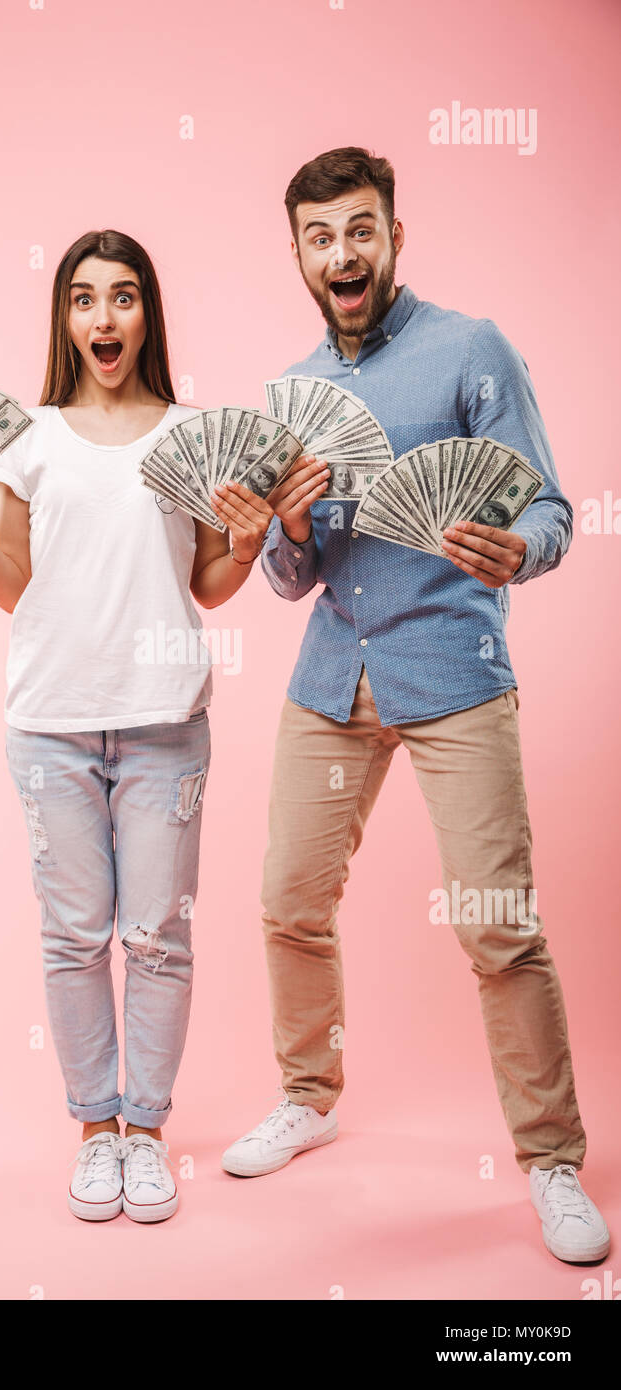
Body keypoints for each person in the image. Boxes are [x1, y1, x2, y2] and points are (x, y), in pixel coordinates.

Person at [219, 147, 610, 1266]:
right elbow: (288, 581)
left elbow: (547, 505)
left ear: (393, 235)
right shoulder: (292, 393)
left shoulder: (467, 349)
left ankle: (546, 1159)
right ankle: (309, 1094)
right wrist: (287, 528)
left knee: (496, 924)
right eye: (317, 236)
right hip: (329, 675)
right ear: (295, 253)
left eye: (358, 229)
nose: (340, 253)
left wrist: (517, 548)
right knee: (288, 900)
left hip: (449, 669)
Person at [0, 229, 327, 1224]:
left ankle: (146, 1131)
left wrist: (244, 536)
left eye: (125, 297)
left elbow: (206, 586)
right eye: (86, 299)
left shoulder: (186, 436)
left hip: (163, 725)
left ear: (147, 313)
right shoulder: (30, 437)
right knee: (71, 938)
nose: (106, 318)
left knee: (156, 940)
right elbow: (15, 588)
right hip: (50, 725)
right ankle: (93, 1132)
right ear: (64, 318)